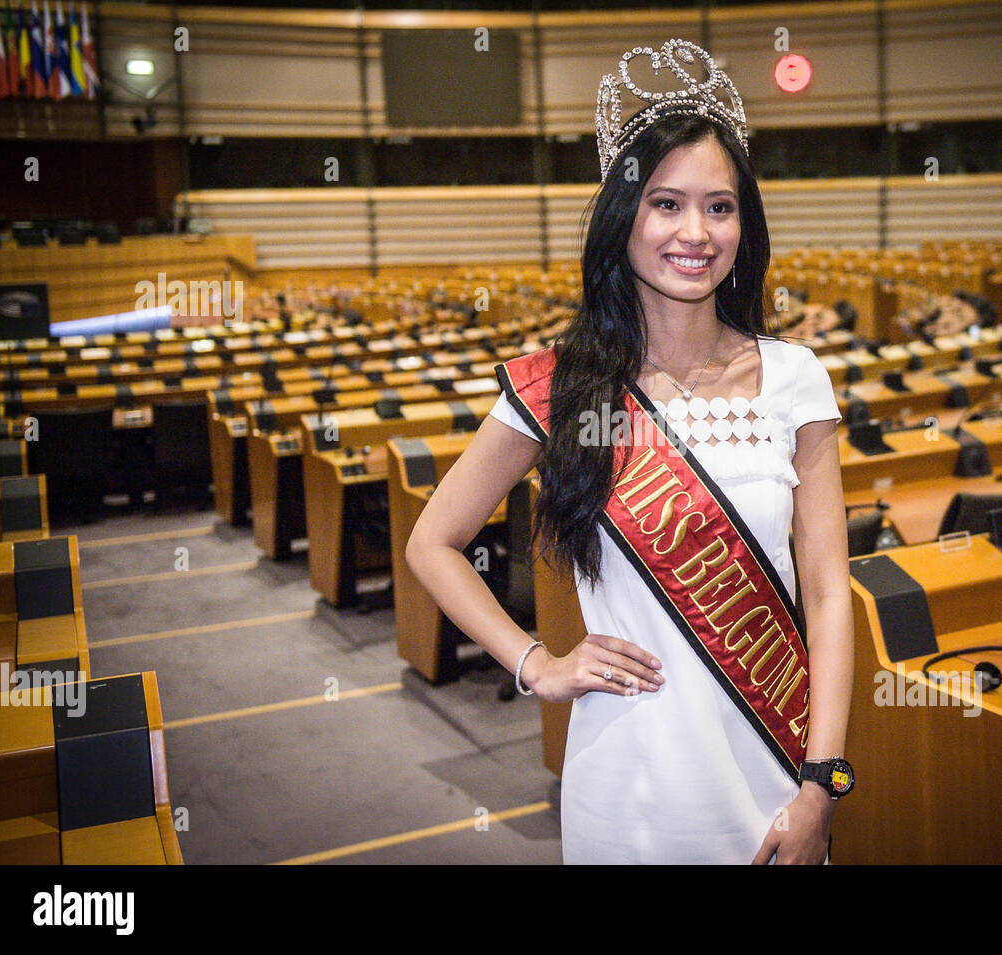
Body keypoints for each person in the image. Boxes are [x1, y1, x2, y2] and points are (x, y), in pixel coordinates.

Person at [406, 38, 853, 864]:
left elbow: (828, 593)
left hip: (776, 773)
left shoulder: (797, 378)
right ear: (624, 217)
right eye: (666, 203)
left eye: (719, 206)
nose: (696, 231)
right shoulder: (559, 387)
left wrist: (822, 784)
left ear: (742, 222)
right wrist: (536, 664)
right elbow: (431, 543)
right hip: (628, 781)